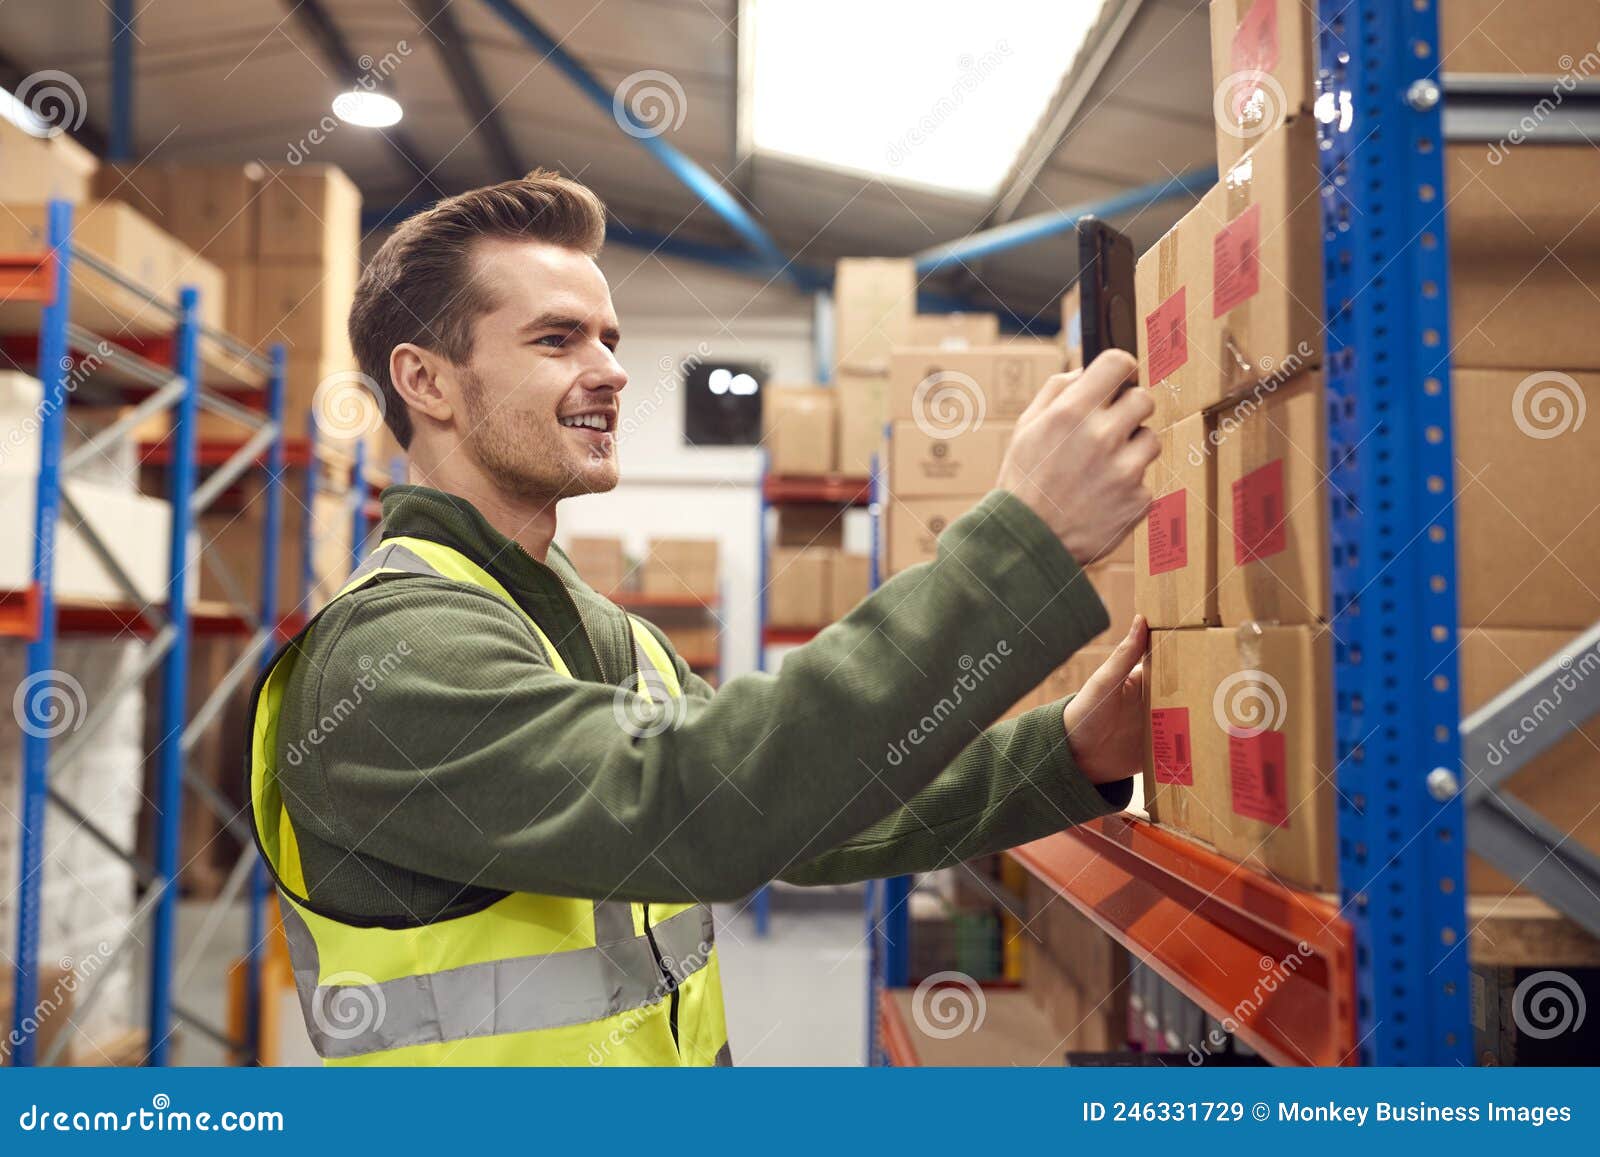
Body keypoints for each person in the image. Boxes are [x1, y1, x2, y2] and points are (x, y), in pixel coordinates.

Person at [246, 170, 1158, 1067]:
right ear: (426, 382)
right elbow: (703, 807)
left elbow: (805, 808)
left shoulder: (609, 634)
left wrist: (1066, 754)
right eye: (558, 339)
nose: (610, 371)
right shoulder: (389, 659)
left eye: (609, 337)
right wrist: (1019, 545)